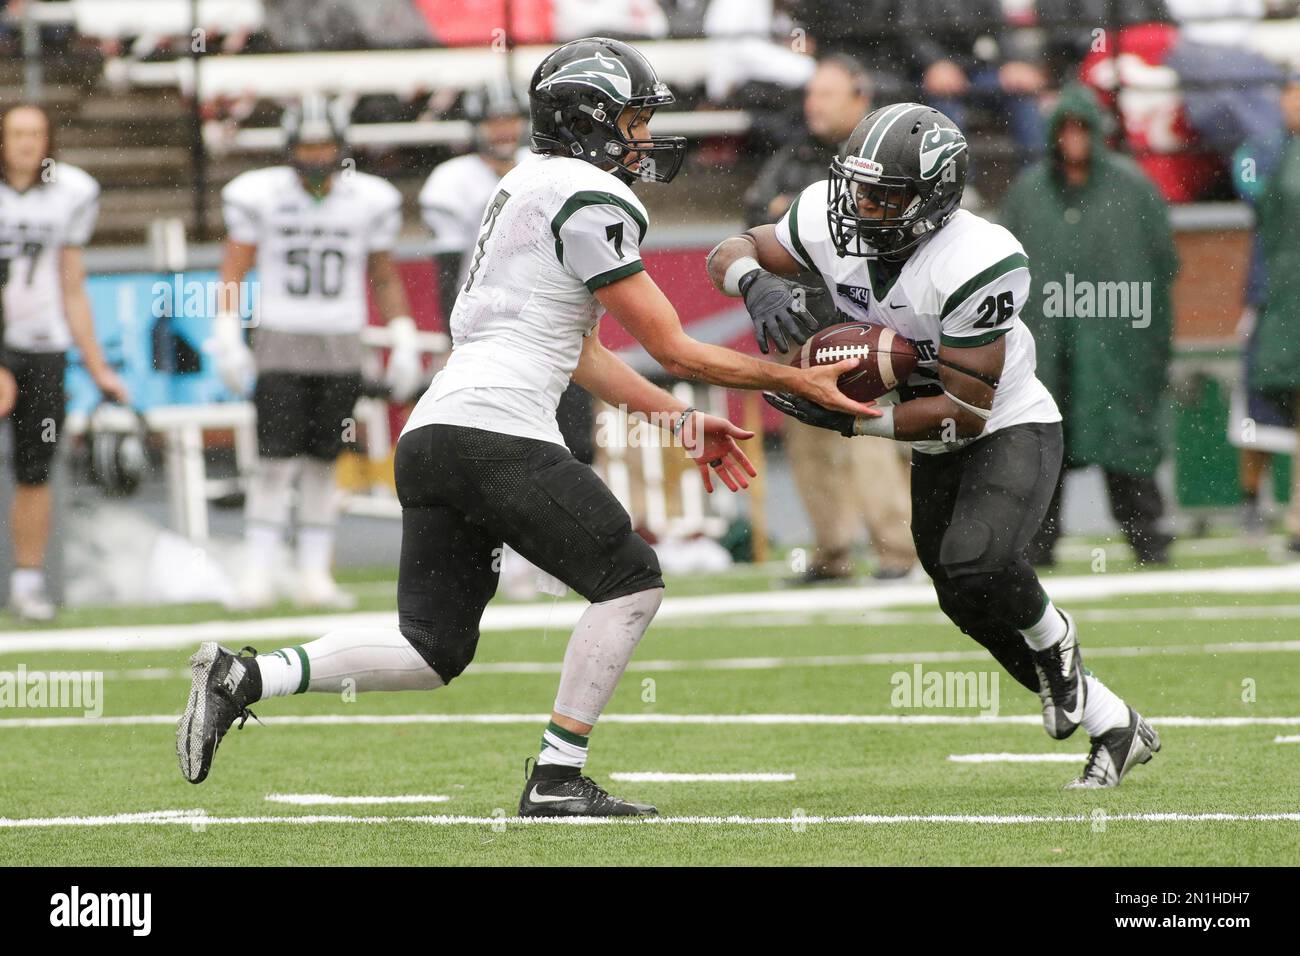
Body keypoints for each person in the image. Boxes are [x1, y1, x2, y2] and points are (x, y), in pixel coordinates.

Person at [177, 37, 867, 816]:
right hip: (495, 430)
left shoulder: (523, 186)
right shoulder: (590, 196)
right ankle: (557, 777)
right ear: (589, 122)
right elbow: (671, 343)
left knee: (430, 647)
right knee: (631, 581)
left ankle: (247, 677)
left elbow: (581, 355)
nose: (643, 139)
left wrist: (676, 416)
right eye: (633, 120)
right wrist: (791, 378)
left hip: (434, 433)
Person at [708, 102, 1161, 788]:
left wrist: (855, 420)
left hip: (1005, 422)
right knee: (959, 594)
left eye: (884, 193)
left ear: (934, 198)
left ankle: (1054, 637)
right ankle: (1113, 722)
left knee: (977, 560)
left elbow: (965, 415)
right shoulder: (830, 222)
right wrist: (757, 285)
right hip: (930, 432)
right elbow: (731, 248)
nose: (861, 204)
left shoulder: (979, 258)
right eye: (858, 186)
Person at [207, 96, 422, 611]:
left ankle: (313, 573)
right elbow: (233, 271)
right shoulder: (260, 195)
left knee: (325, 461)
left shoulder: (368, 200)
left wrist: (404, 336)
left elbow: (385, 274)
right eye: (307, 145)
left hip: (341, 343)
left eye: (324, 145)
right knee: (274, 461)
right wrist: (226, 332)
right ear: (289, 149)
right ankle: (258, 571)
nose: (316, 154)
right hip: (281, 340)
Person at [744, 54, 916, 584]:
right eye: (812, 93)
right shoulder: (794, 151)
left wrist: (789, 213)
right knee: (808, 436)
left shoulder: (885, 153)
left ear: (860, 98)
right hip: (796, 318)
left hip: (859, 316)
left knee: (866, 428)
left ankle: (898, 551)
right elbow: (755, 217)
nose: (813, 103)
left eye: (826, 94)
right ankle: (833, 549)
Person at [421, 77, 596, 598]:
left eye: (507, 118)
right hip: (495, 334)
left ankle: (558, 554)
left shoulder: (546, 170)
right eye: (491, 120)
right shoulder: (453, 182)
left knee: (570, 442)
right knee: (508, 447)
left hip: (552, 325)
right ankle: (515, 559)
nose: (501, 130)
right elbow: (453, 275)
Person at [1002, 85, 1179, 567]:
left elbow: (1162, 269)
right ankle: (1039, 543)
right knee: (1042, 443)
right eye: (1065, 129)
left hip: (1118, 346)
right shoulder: (1030, 193)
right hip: (1047, 346)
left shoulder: (1132, 189)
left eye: (1082, 128)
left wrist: (1150, 343)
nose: (1074, 139)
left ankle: (1148, 537)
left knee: (1124, 442)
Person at [0, 102, 129, 622]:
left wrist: (97, 365)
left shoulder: (70, 194)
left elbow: (72, 287)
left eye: (36, 133)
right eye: (16, 133)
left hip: (44, 347)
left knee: (36, 469)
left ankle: (28, 581)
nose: (27, 143)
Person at [1247, 76, 1300, 554]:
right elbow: (1245, 179)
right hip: (1276, 301)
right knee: (1262, 416)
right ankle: (1269, 509)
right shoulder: (1268, 151)